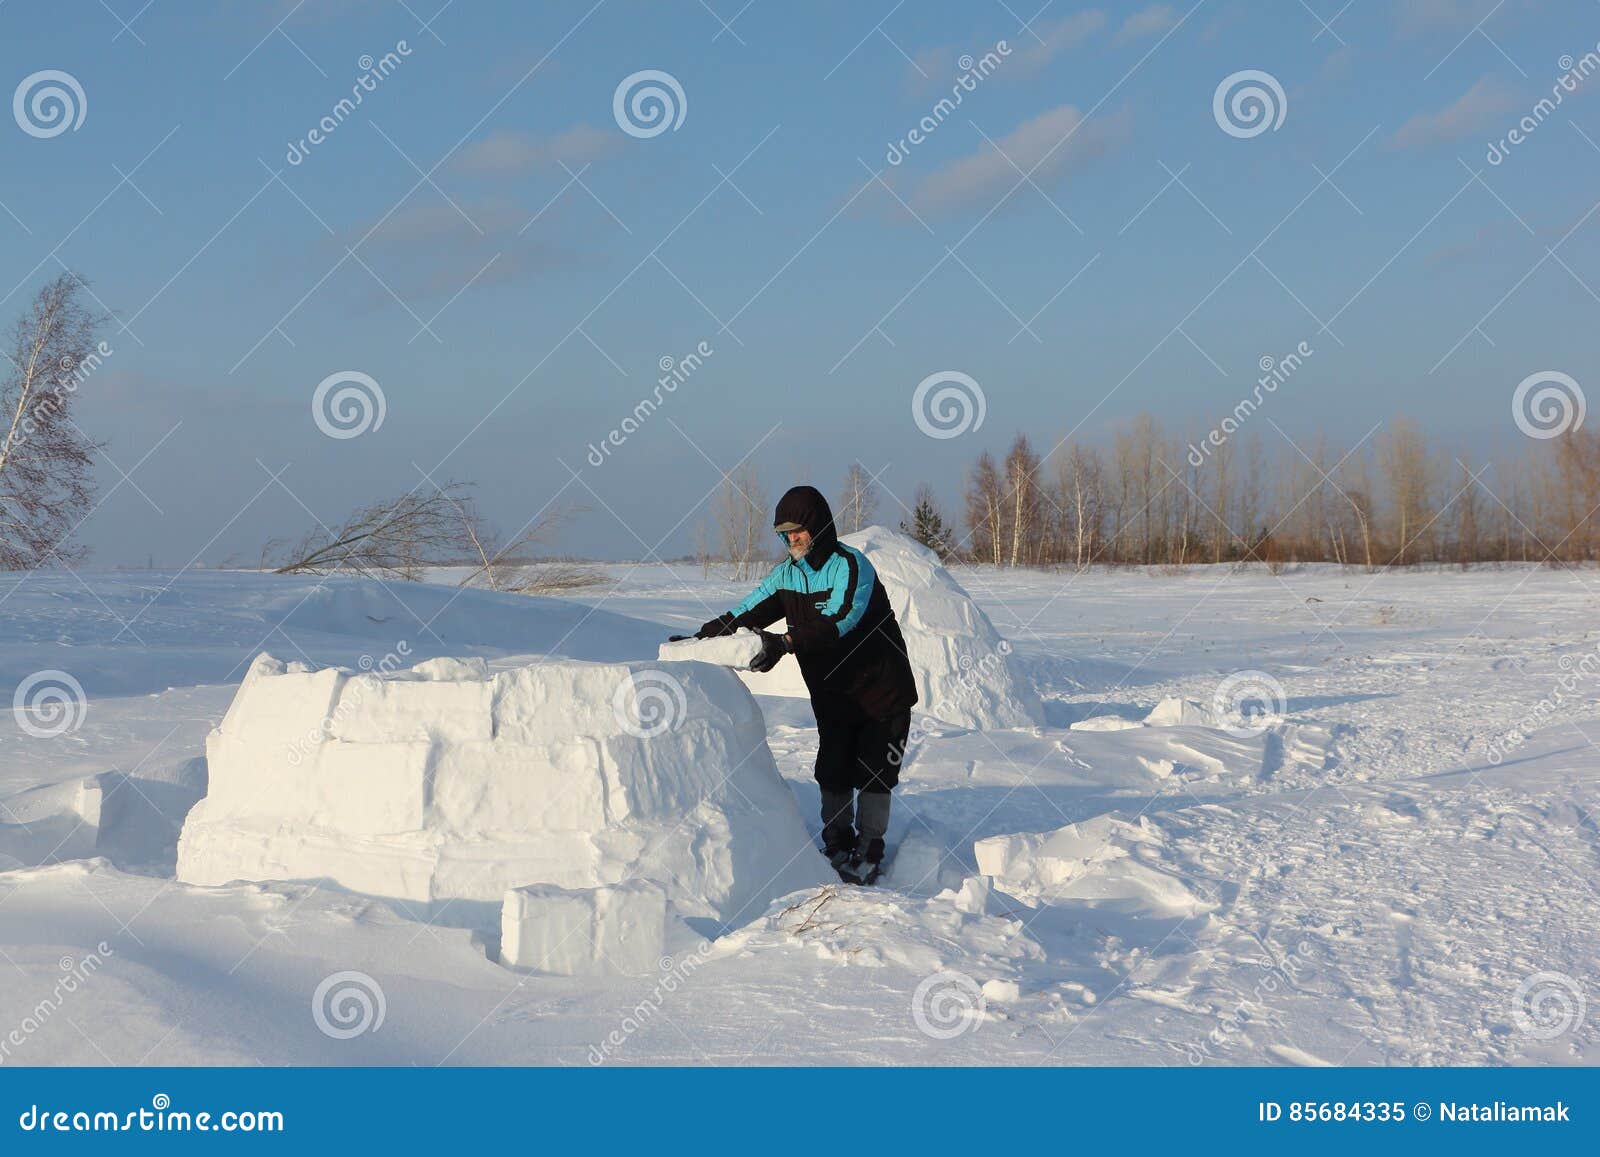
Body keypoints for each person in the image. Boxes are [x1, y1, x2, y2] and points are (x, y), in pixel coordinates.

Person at [681, 485, 918, 884]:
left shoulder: (851, 566)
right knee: (833, 768)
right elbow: (745, 611)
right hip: (834, 694)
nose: (791, 539)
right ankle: (837, 840)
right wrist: (701, 637)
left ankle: (870, 846)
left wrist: (786, 642)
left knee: (876, 771)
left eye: (798, 531)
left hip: (882, 691)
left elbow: (839, 620)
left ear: (817, 527)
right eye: (784, 533)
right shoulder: (787, 575)